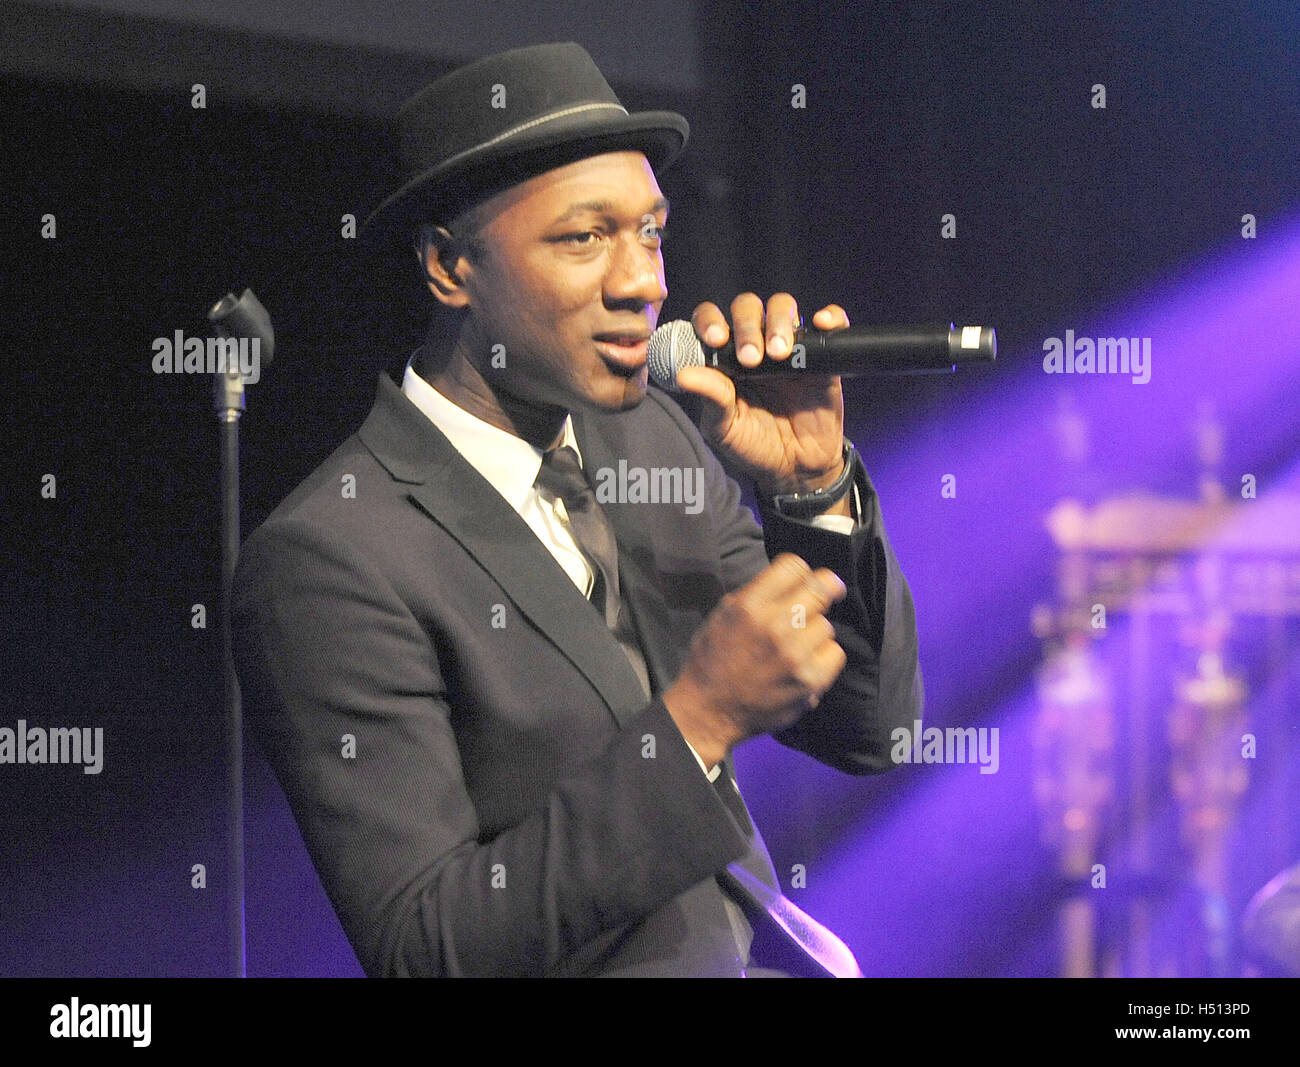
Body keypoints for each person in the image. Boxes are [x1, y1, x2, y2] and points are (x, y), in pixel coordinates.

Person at [233, 41, 923, 977]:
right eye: (584, 238)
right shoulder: (333, 555)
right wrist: (696, 725)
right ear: (448, 268)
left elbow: (867, 727)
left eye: (651, 231)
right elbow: (425, 948)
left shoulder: (656, 446)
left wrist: (812, 491)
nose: (645, 283)